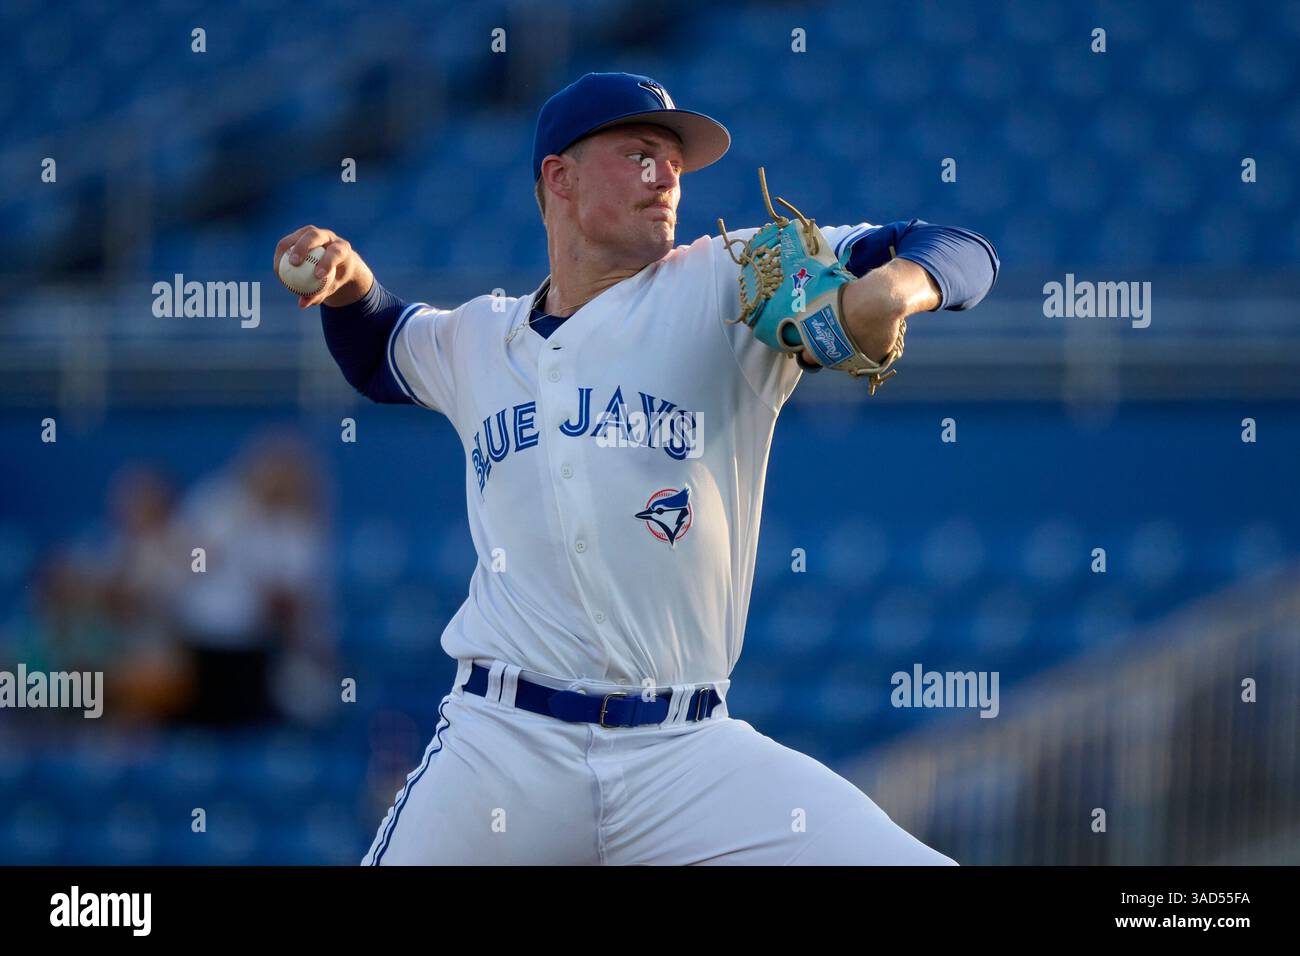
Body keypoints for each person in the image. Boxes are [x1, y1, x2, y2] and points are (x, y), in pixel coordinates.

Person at [275, 72, 999, 864]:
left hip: (684, 754)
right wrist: (349, 286)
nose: (668, 177)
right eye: (641, 153)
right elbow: (380, 352)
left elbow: (960, 248)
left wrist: (898, 284)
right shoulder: (478, 339)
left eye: (676, 162)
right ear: (560, 177)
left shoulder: (726, 279)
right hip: (503, 747)